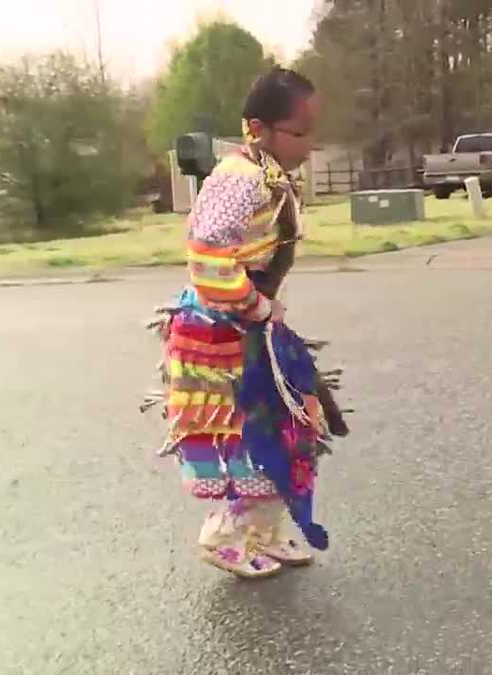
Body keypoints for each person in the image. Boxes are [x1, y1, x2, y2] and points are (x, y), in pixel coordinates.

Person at [144, 68, 348, 579]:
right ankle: (223, 536)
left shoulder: (267, 171)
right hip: (223, 330)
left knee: (290, 428)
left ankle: (263, 532)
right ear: (258, 127)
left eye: (311, 131)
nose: (308, 145)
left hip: (251, 324)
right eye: (299, 132)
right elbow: (208, 257)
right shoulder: (240, 178)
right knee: (250, 437)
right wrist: (256, 307)